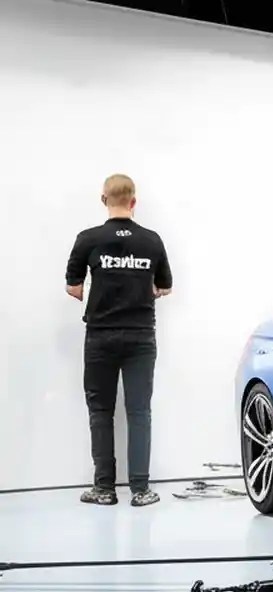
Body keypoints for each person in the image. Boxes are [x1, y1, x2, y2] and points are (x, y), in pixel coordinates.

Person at [65, 174, 172, 507]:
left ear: (103, 200)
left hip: (101, 335)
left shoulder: (88, 239)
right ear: (134, 201)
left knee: (101, 411)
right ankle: (141, 490)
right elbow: (165, 286)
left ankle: (104, 489)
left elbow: (73, 288)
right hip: (141, 335)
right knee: (139, 411)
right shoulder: (152, 241)